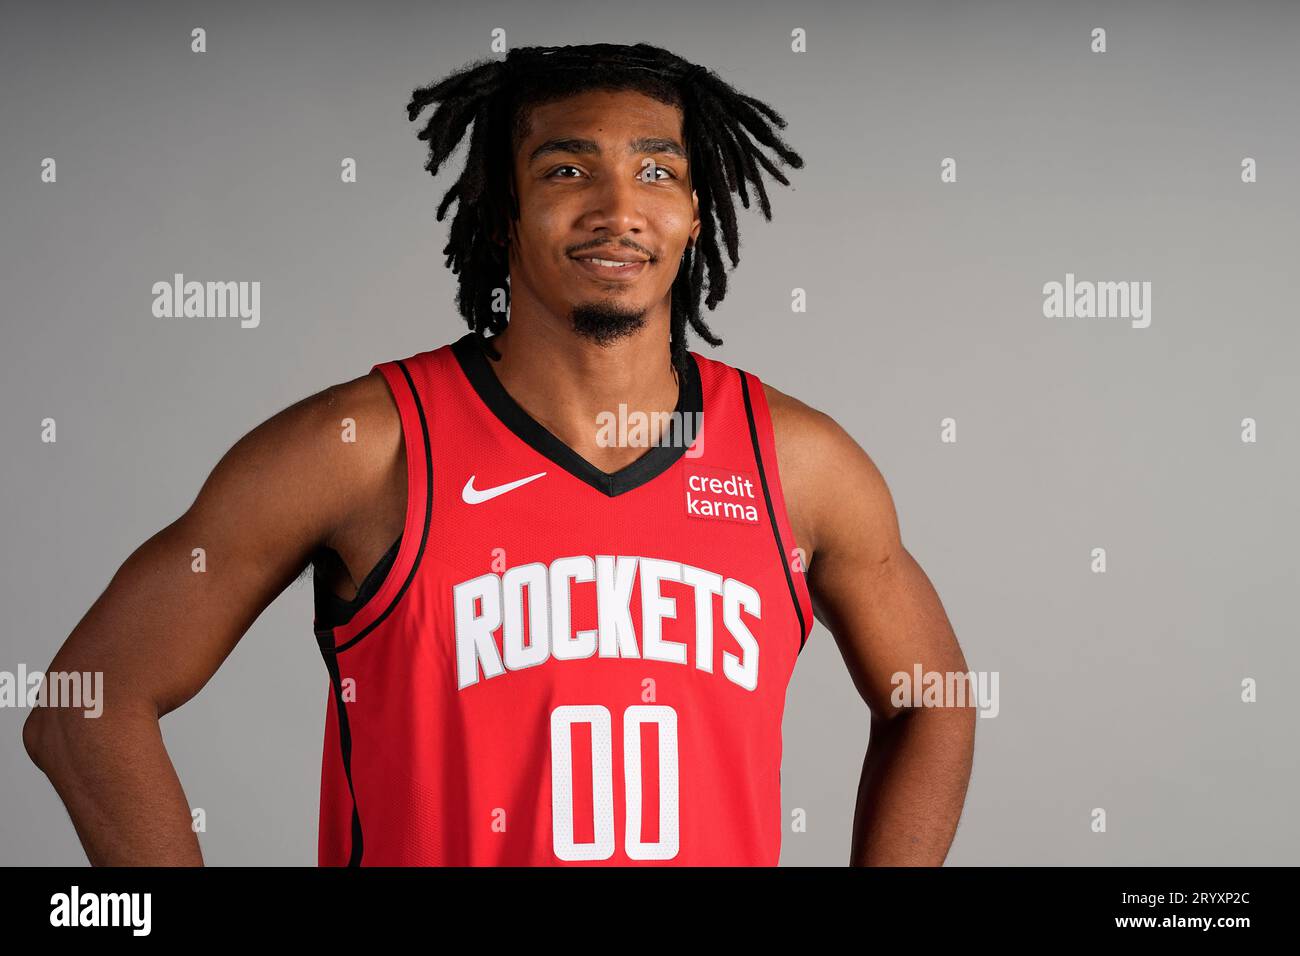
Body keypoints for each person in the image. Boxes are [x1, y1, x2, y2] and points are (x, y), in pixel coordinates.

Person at [24, 42, 974, 866]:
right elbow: (86, 702)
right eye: (566, 171)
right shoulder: (365, 449)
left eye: (656, 173)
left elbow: (933, 700)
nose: (617, 209)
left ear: (694, 210)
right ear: (499, 212)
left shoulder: (796, 465)